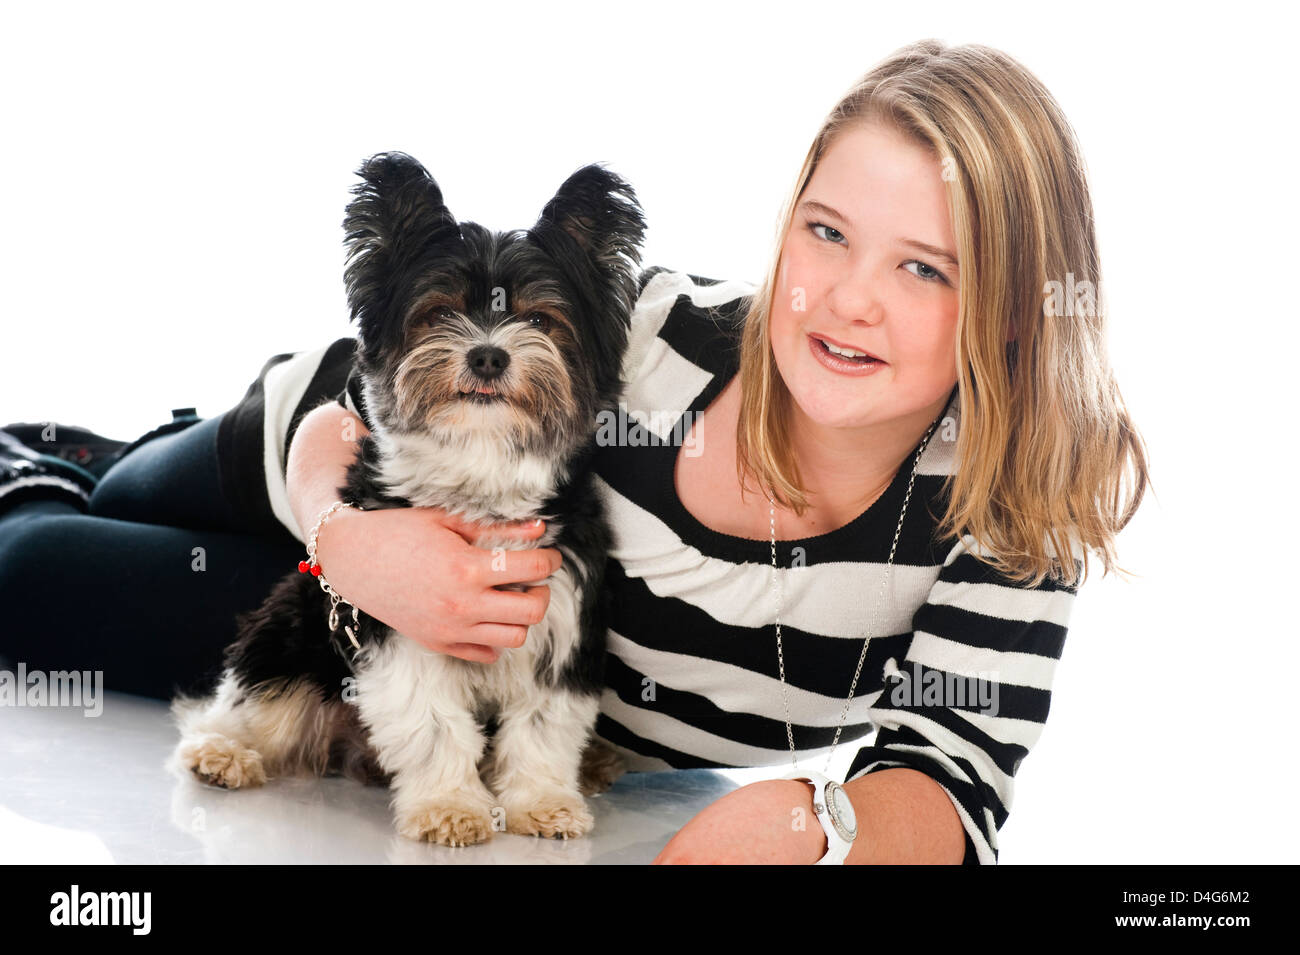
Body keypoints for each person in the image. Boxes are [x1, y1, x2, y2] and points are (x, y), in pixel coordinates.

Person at [0, 39, 1150, 864]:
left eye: (923, 267)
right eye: (827, 232)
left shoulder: (1009, 508)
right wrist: (347, 542)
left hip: (407, 664)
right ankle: (69, 448)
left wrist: (822, 830)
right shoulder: (654, 344)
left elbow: (954, 772)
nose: (847, 301)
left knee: (46, 590)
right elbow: (361, 404)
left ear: (1009, 309)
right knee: (62, 529)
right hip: (322, 453)